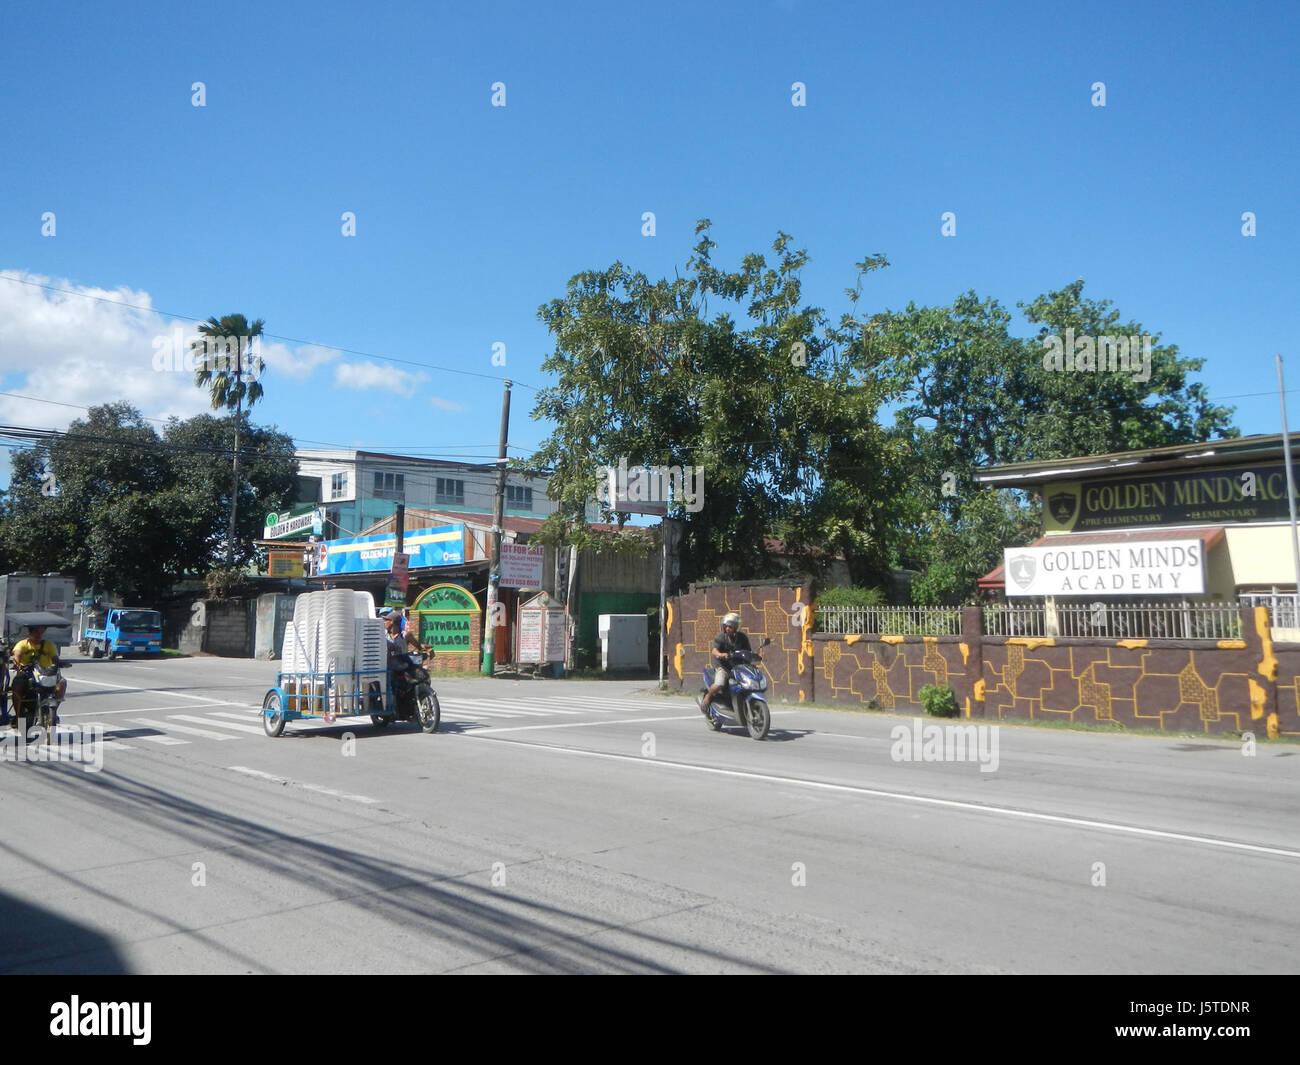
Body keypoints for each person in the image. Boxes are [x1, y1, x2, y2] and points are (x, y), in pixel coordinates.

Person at [10, 624, 68, 727]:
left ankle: (53, 710)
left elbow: (55, 659)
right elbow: (17, 656)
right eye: (36, 632)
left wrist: (61, 663)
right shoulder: (22, 644)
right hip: (26, 675)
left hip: (46, 675)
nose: (39, 634)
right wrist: (17, 665)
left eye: (41, 632)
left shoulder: (49, 645)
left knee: (62, 683)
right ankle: (18, 716)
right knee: (17, 687)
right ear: (30, 632)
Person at [702, 612, 753, 715]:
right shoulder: (721, 636)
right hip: (723, 666)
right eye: (726, 626)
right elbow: (714, 650)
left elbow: (748, 651)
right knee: (720, 683)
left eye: (731, 626)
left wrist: (755, 656)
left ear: (736, 627)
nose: (728, 628)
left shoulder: (742, 637)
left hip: (738, 666)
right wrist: (721, 654)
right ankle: (708, 697)